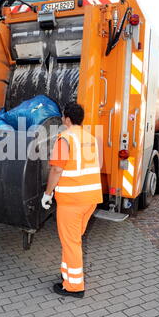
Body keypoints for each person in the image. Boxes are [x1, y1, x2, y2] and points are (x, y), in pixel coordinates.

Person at [41, 102, 103, 298]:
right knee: (73, 241)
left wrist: (47, 193)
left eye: (62, 117)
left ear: (66, 119)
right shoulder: (90, 138)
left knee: (71, 243)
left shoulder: (64, 139)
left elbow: (57, 169)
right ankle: (67, 276)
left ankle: (74, 287)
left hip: (72, 200)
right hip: (90, 199)